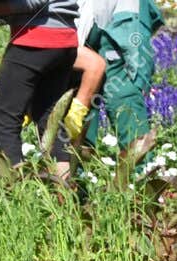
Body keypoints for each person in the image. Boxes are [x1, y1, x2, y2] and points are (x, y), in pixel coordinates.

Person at [0, 0, 84, 170]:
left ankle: (15, 192)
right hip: (65, 38)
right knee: (50, 121)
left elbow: (35, 2)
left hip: (36, 38)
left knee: (5, 122)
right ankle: (64, 193)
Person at [69, 0, 165, 156]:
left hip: (122, 17)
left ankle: (141, 169)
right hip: (88, 17)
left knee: (123, 91)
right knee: (83, 87)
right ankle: (79, 167)